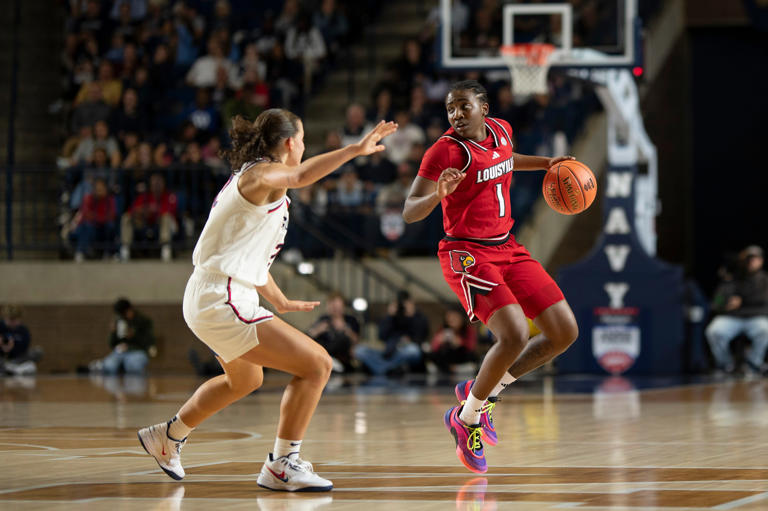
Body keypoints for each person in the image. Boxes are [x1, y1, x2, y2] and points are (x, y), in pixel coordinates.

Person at [137, 110, 397, 492]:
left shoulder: (256, 181)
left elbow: (246, 255)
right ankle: (282, 464)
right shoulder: (261, 175)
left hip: (217, 292)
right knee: (317, 365)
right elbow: (301, 176)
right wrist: (354, 150)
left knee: (244, 379)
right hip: (220, 297)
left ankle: (168, 436)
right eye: (304, 140)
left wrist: (280, 300)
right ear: (290, 143)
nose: (304, 147)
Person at [402, 80, 578, 473]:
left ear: (483, 106)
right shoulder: (444, 151)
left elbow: (506, 159)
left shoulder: (501, 130)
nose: (456, 115)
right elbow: (409, 211)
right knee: (514, 333)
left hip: (507, 247)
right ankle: (465, 420)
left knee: (564, 332)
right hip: (465, 253)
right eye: (450, 109)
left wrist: (547, 164)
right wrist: (438, 194)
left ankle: (483, 393)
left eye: (464, 106)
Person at [706, 245, 768, 375]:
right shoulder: (732, 278)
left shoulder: (764, 280)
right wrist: (725, 305)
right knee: (714, 331)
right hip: (732, 317)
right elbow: (716, 302)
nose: (751, 262)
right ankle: (726, 365)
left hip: (755, 317)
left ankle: (753, 364)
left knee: (765, 330)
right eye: (748, 259)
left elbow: (763, 300)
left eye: (755, 259)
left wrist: (742, 301)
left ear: (761, 260)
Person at [354, 291, 429, 376]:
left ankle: (381, 369)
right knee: (359, 350)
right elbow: (382, 336)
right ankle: (389, 369)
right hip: (389, 352)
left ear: (412, 303)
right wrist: (389, 316)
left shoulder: (419, 317)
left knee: (413, 350)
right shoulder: (393, 317)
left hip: (404, 351)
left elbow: (421, 336)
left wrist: (411, 316)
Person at [92, 298, 156, 375]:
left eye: (125, 313)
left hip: (137, 351)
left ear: (130, 310)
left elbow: (150, 341)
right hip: (120, 352)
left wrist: (134, 336)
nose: (124, 316)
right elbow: (112, 344)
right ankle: (99, 366)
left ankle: (123, 368)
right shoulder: (119, 321)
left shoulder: (143, 321)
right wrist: (112, 333)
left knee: (133, 366)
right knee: (110, 366)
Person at [306, 292, 360, 373]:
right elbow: (309, 335)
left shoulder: (350, 319)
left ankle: (331, 362)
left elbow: (356, 340)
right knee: (315, 342)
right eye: (333, 307)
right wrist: (318, 330)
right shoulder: (324, 319)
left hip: (341, 352)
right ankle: (329, 361)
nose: (336, 310)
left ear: (343, 307)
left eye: (338, 307)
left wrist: (345, 329)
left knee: (343, 339)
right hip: (326, 350)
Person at [427, 307, 478, 374]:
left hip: (461, 359)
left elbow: (472, 347)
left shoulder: (468, 329)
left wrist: (460, 343)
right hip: (446, 360)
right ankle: (445, 368)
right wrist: (439, 341)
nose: (452, 319)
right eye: (450, 317)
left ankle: (455, 369)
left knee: (471, 358)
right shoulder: (443, 329)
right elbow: (433, 347)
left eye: (455, 317)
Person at [0, 305, 39, 376]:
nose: (12, 322)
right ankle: (15, 369)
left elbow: (24, 347)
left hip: (17, 358)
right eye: (10, 320)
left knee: (37, 351)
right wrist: (3, 349)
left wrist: (11, 349)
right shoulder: (0, 327)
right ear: (5, 318)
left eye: (15, 320)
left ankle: (11, 368)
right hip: (2, 357)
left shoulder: (23, 330)